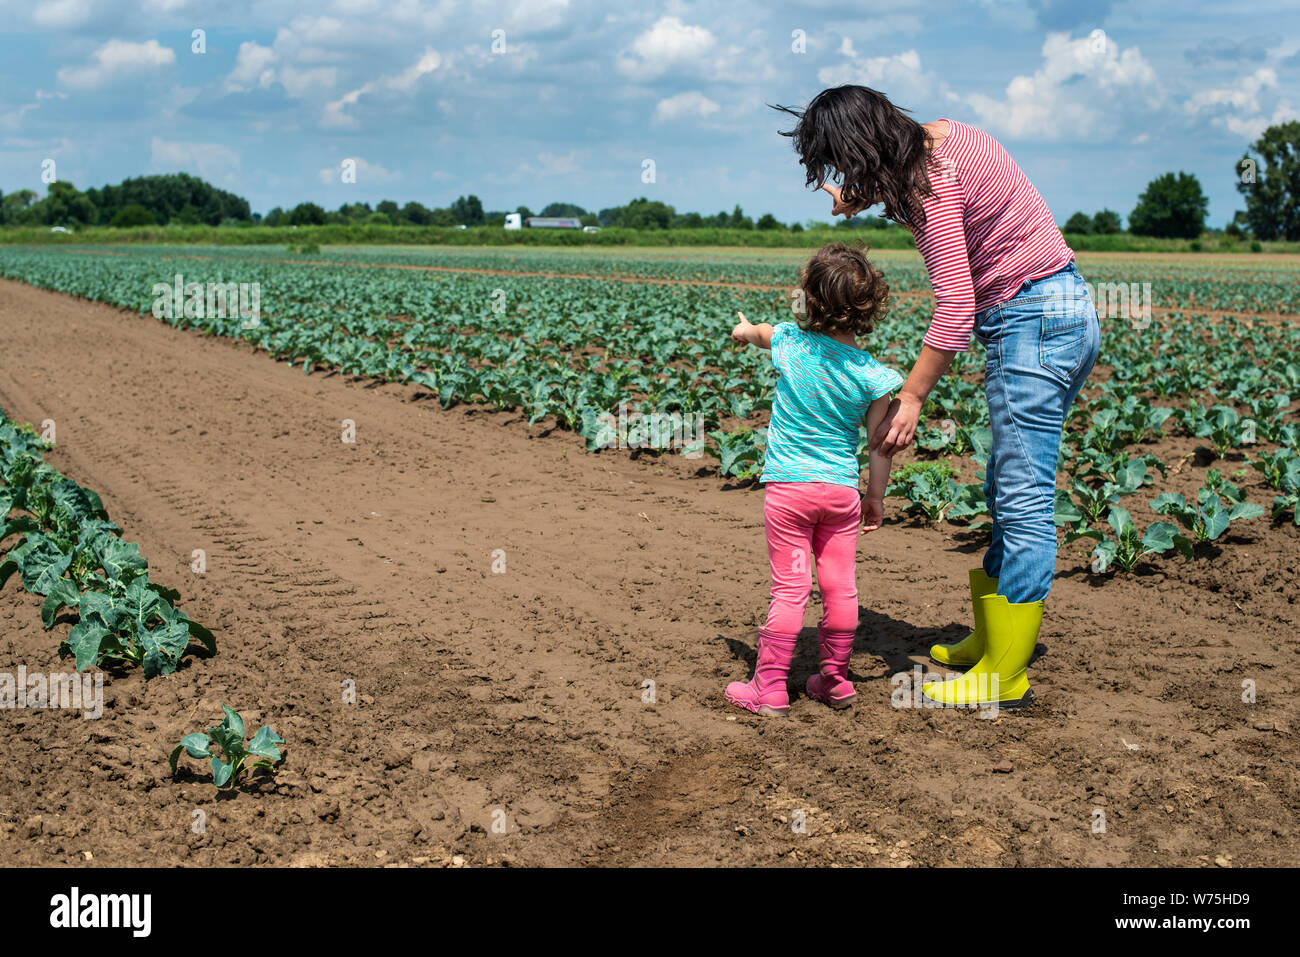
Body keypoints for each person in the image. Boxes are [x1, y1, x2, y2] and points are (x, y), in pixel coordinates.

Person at [775, 85, 1100, 707]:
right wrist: (860, 199)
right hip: (1058, 310)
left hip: (1031, 322)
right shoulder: (943, 134)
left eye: (844, 162)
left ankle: (1004, 676)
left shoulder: (929, 184)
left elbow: (954, 306)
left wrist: (913, 398)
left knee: (1023, 492)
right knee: (1008, 482)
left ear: (862, 147)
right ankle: (989, 643)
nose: (844, 173)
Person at [725, 242, 901, 716]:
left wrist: (742, 330)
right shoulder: (873, 376)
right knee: (841, 587)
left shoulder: (789, 342)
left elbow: (760, 333)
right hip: (841, 491)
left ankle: (770, 688)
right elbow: (880, 445)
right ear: (869, 306)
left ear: (810, 299)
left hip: (789, 489)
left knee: (790, 589)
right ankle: (835, 681)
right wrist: (876, 497)